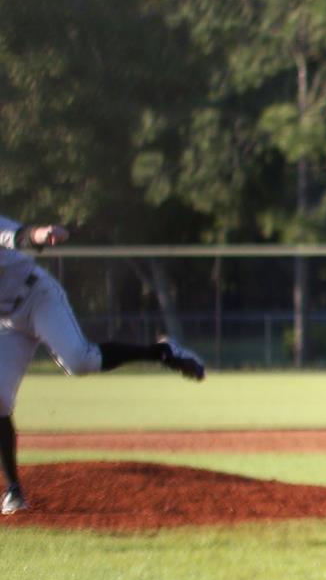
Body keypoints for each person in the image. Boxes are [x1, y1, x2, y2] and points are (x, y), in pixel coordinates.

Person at [0, 217, 206, 516]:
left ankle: (161, 352)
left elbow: (16, 236)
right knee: (0, 400)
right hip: (5, 323)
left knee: (80, 361)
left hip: (36, 298)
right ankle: (14, 492)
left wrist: (40, 234)